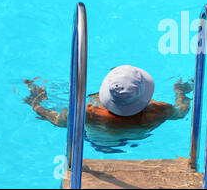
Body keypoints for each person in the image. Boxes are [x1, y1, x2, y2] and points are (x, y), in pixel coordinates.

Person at [23, 65, 193, 152]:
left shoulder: (89, 112)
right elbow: (182, 111)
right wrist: (180, 93)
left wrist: (37, 106)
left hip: (96, 140)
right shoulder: (160, 110)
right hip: (135, 140)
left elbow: (59, 121)